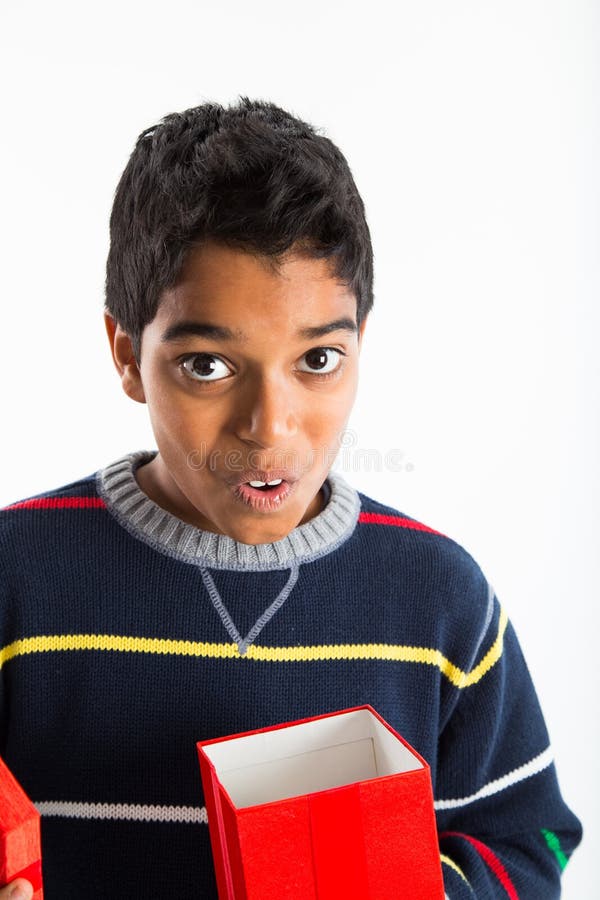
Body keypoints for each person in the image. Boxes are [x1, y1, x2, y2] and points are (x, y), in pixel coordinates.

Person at [0, 97, 581, 899]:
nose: (270, 429)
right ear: (128, 356)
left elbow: (534, 838)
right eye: (209, 365)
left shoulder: (440, 599)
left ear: (361, 347)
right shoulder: (16, 576)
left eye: (318, 360)